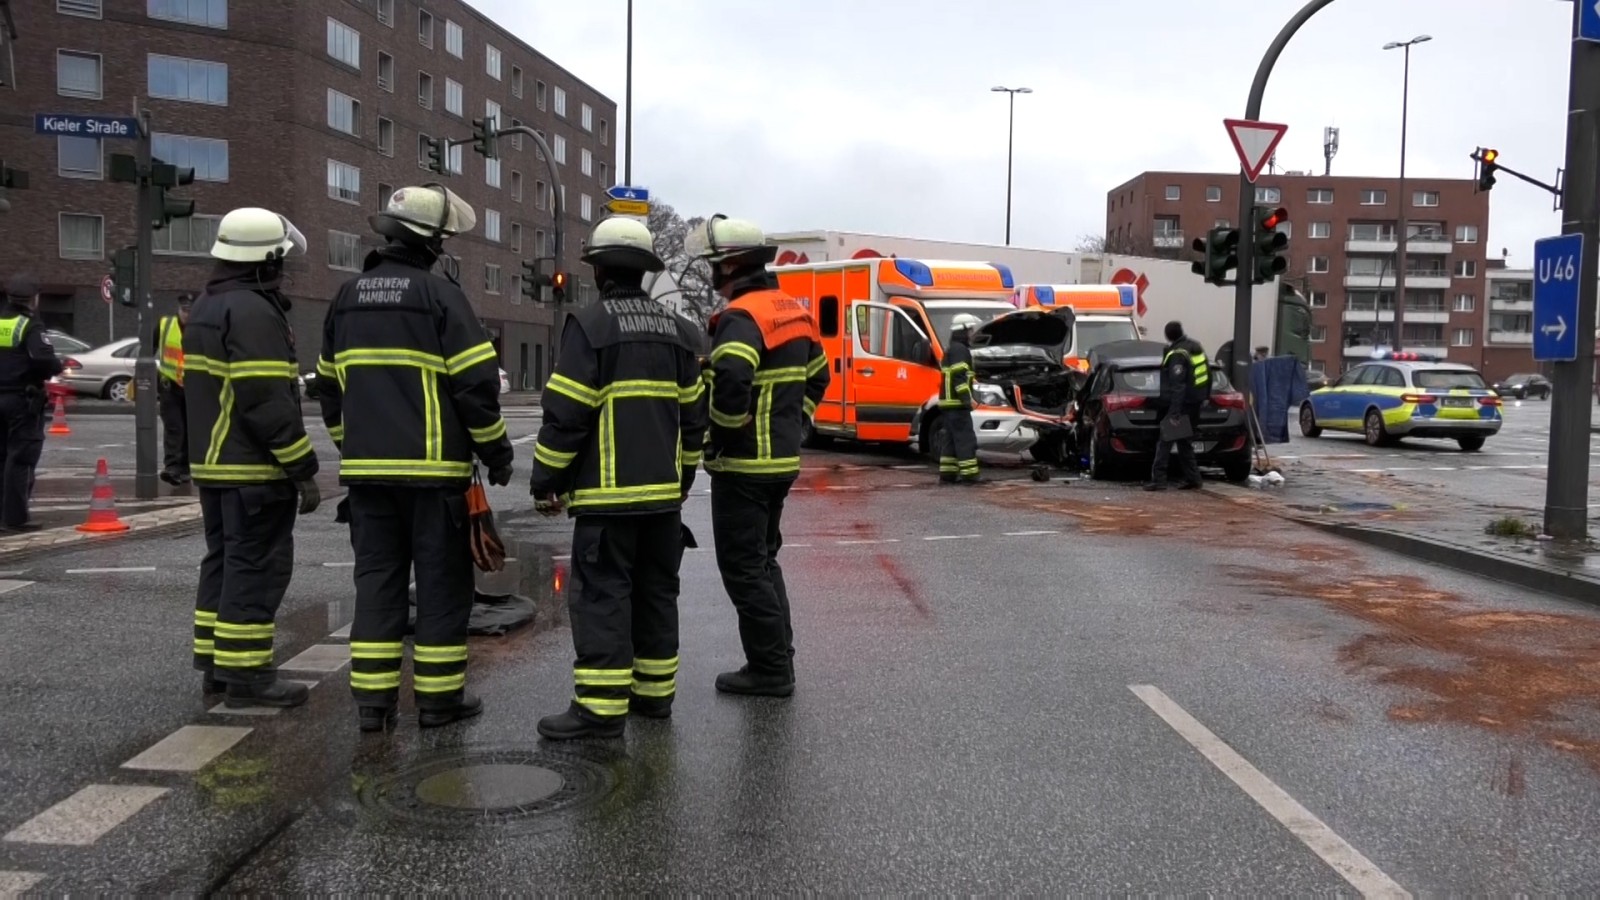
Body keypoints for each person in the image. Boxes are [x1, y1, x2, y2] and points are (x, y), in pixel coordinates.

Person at [318, 184, 513, 733]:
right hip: (434, 482)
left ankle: (373, 708)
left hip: (367, 482)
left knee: (376, 586)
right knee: (440, 589)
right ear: (432, 242)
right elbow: (476, 387)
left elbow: (329, 392)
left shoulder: (345, 297)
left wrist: (349, 445)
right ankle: (437, 704)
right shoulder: (441, 296)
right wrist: (495, 452)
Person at [528, 217, 707, 741]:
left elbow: (566, 414)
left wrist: (546, 482)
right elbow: (695, 420)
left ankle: (601, 711)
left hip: (607, 505)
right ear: (646, 271)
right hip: (663, 504)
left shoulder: (589, 327)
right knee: (656, 596)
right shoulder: (680, 332)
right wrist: (684, 480)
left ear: (600, 270)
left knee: (604, 598)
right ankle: (653, 698)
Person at [685, 215, 828, 698]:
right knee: (764, 562)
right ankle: (777, 658)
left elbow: (730, 379)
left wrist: (724, 434)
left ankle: (770, 669)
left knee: (745, 568)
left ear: (731, 265)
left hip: (743, 466)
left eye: (712, 264)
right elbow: (820, 377)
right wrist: (797, 422)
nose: (709, 272)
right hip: (781, 463)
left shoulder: (742, 317)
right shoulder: (794, 310)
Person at [186, 208, 321, 709]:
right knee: (256, 568)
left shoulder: (208, 305)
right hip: (251, 470)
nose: (284, 270)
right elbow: (266, 400)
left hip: (216, 468)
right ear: (263, 261)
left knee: (222, 563)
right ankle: (247, 677)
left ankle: (216, 669)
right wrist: (302, 467)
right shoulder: (253, 312)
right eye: (280, 261)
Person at [0, 274, 63, 533]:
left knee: (1, 457)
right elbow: (44, 361)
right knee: (21, 458)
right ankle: (15, 518)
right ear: (34, 300)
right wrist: (55, 366)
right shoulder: (30, 325)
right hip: (20, 401)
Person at [1146, 320, 1208, 492]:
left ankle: (1159, 481)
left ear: (1168, 335)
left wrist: (1174, 414)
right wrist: (1205, 397)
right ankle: (1193, 479)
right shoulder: (1195, 346)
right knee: (1184, 442)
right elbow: (1206, 373)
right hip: (1195, 403)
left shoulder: (1177, 354)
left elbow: (1178, 386)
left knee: (1165, 441)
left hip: (1182, 406)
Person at [935, 313, 983, 484]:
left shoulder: (951, 349)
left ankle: (948, 474)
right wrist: (966, 399)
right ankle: (970, 475)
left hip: (948, 405)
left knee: (950, 441)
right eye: (969, 330)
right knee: (965, 439)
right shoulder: (960, 350)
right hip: (957, 405)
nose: (971, 333)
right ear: (962, 330)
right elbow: (958, 377)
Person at [156, 293, 194, 485]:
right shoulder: (165, 324)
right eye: (184, 310)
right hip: (169, 385)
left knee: (189, 429)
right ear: (178, 309)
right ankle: (172, 468)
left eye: (190, 311)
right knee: (174, 427)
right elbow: (148, 346)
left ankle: (185, 468)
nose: (186, 314)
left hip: (193, 386)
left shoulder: (200, 328)